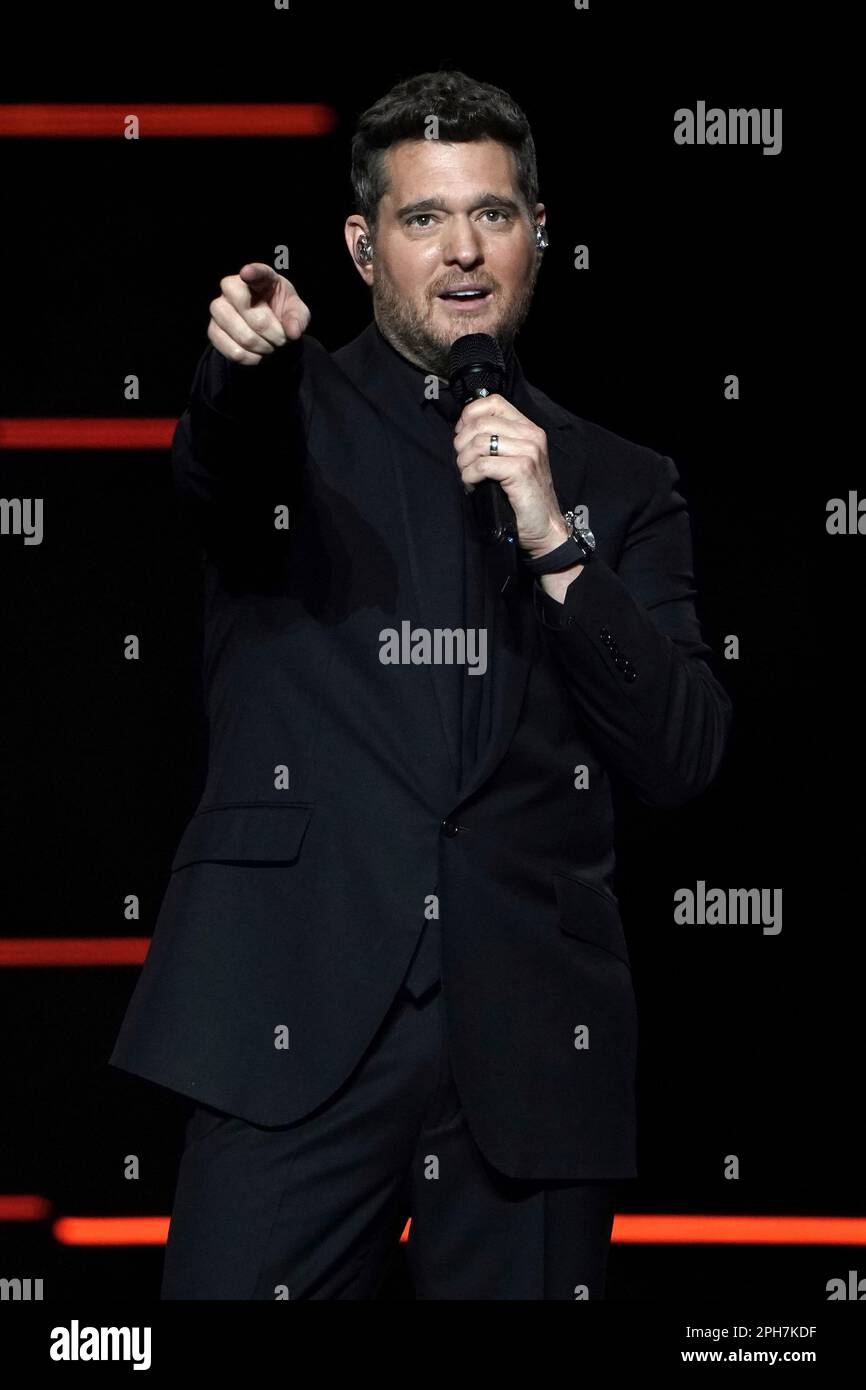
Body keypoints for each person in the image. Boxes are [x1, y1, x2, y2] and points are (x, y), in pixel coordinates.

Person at [109, 69, 733, 1300]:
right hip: (294, 1015)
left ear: (537, 233)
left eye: (492, 214)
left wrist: (558, 542)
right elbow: (222, 466)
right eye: (421, 218)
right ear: (361, 244)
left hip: (531, 1047)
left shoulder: (620, 478)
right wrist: (239, 363)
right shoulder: (289, 412)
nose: (460, 251)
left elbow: (682, 753)